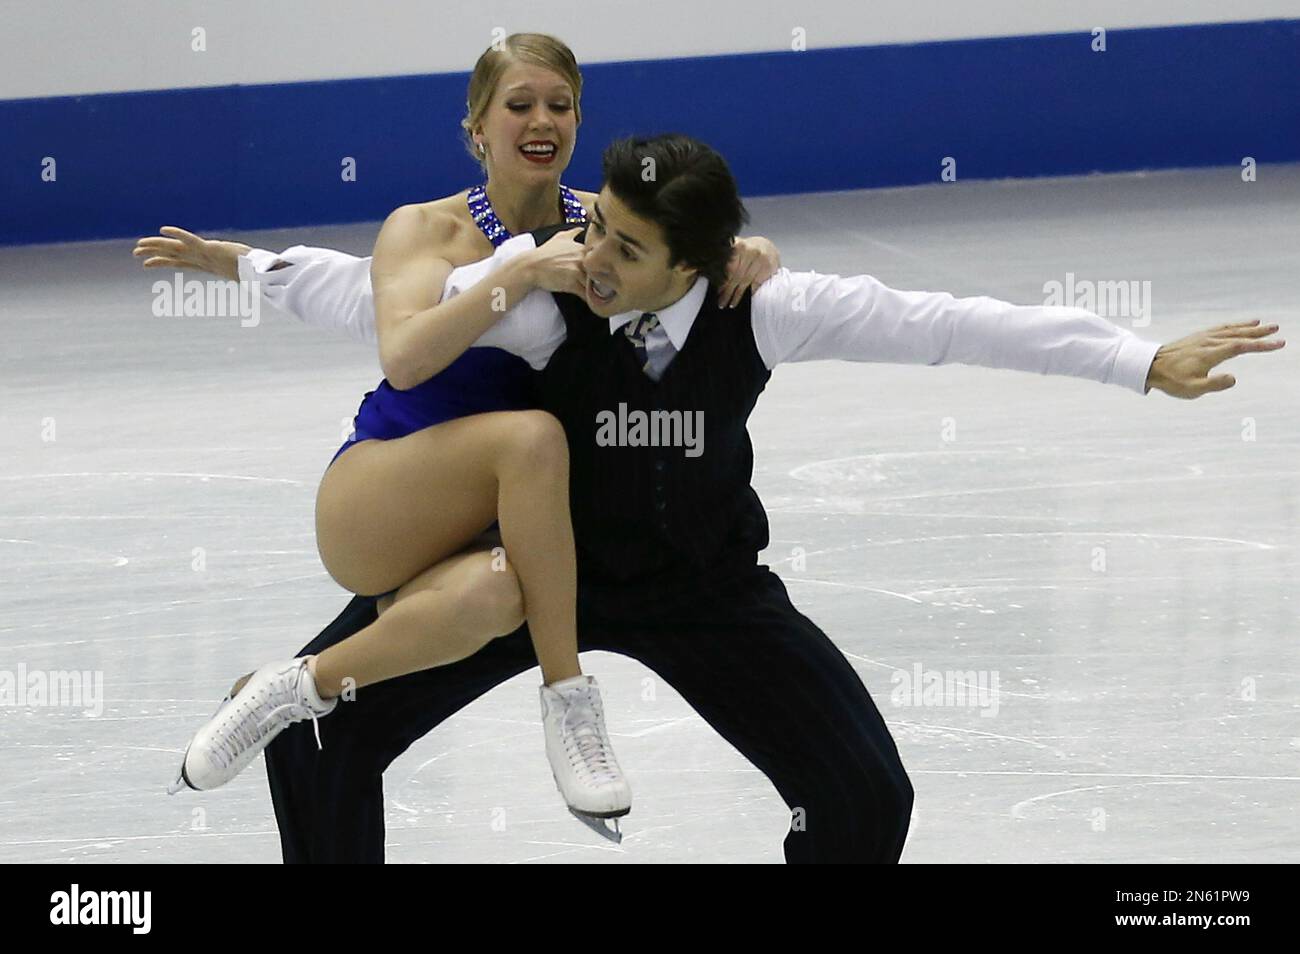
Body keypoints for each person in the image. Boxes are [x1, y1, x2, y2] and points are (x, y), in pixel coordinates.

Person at [214, 130, 1286, 863]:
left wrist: (1137, 358)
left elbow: (948, 323)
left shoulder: (764, 308)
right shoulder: (551, 297)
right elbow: (385, 304)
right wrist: (253, 267)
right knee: (320, 732)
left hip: (700, 585)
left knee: (867, 798)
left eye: (624, 249)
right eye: (596, 228)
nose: (590, 256)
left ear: (699, 265)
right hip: (546, 579)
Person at [140, 34, 780, 841]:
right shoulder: (425, 228)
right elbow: (401, 353)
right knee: (534, 439)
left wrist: (742, 254)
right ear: (477, 128)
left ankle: (294, 686)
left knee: (500, 595)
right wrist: (517, 275)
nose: (541, 120)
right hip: (379, 499)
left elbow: (674, 290)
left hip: (482, 533)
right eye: (518, 105)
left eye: (560, 104)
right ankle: (568, 700)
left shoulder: (603, 229)